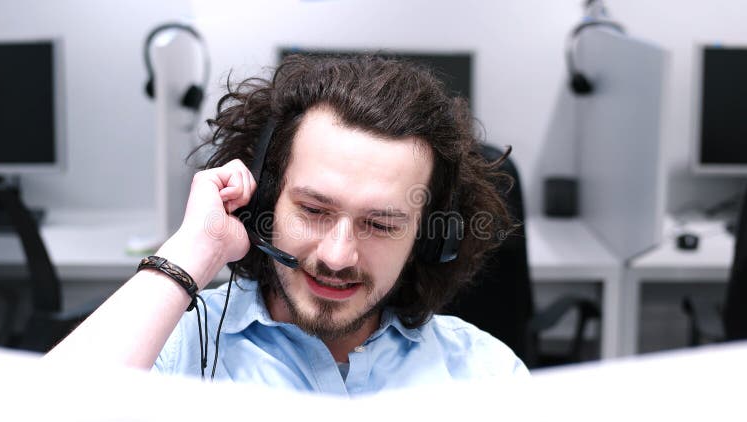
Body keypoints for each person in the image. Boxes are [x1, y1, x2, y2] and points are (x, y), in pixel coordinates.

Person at [46, 54, 528, 394]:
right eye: (314, 211)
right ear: (266, 203)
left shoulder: (484, 375)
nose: (337, 257)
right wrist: (193, 250)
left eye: (380, 225)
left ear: (430, 237)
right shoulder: (175, 347)